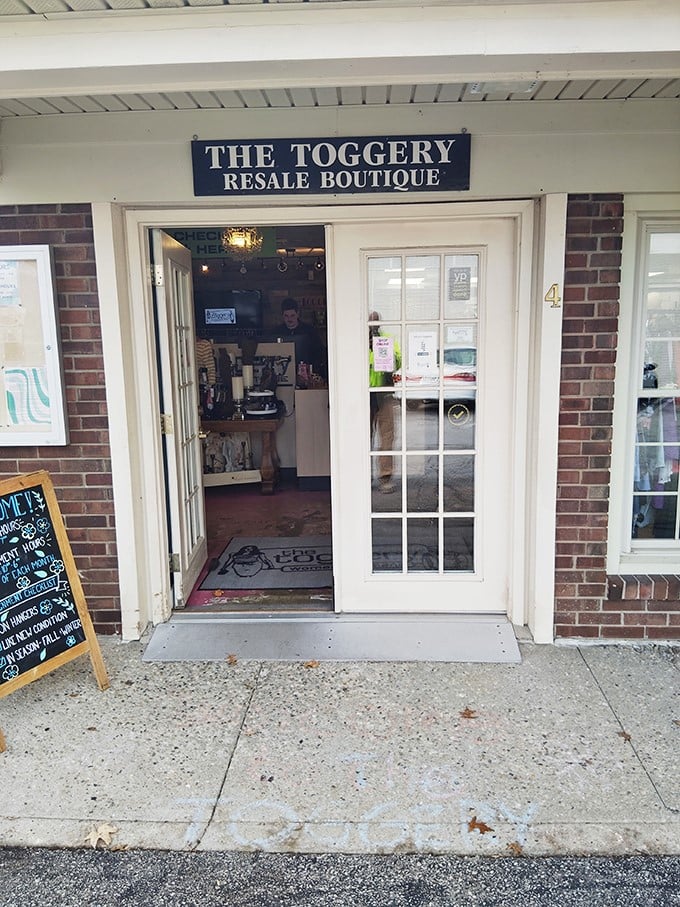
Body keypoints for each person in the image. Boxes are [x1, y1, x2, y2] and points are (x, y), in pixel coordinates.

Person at [369, 311, 401, 493]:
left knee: (387, 436)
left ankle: (385, 476)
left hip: (385, 392)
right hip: (363, 392)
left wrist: (387, 354)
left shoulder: (387, 339)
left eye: (375, 321)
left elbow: (397, 362)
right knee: (363, 437)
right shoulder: (356, 338)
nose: (373, 325)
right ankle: (362, 475)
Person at [275, 297, 325, 378]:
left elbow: (319, 352)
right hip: (283, 373)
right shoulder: (276, 332)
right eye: (286, 316)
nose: (289, 319)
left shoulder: (310, 331)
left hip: (307, 373)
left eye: (292, 315)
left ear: (298, 314)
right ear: (282, 315)